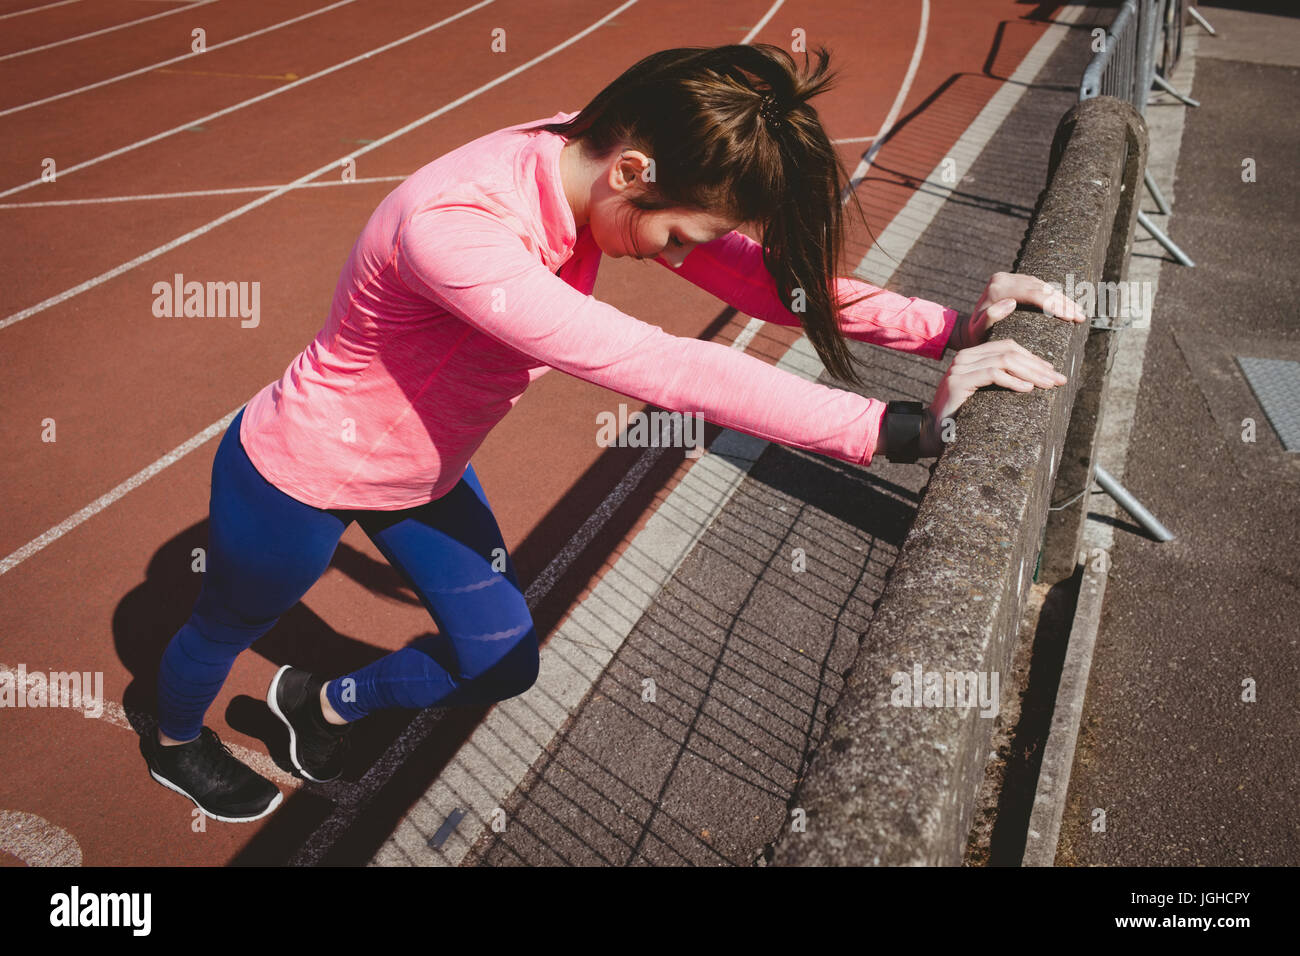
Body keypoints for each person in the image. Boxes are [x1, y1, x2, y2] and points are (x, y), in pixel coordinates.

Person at [140, 43, 1084, 822]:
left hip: (423, 473)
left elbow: (764, 284)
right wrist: (904, 429)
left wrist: (957, 326)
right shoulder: (458, 231)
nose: (678, 256)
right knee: (228, 621)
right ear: (633, 171)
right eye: (677, 236)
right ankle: (173, 740)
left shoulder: (588, 155)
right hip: (300, 472)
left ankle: (319, 699)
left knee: (500, 655)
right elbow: (669, 369)